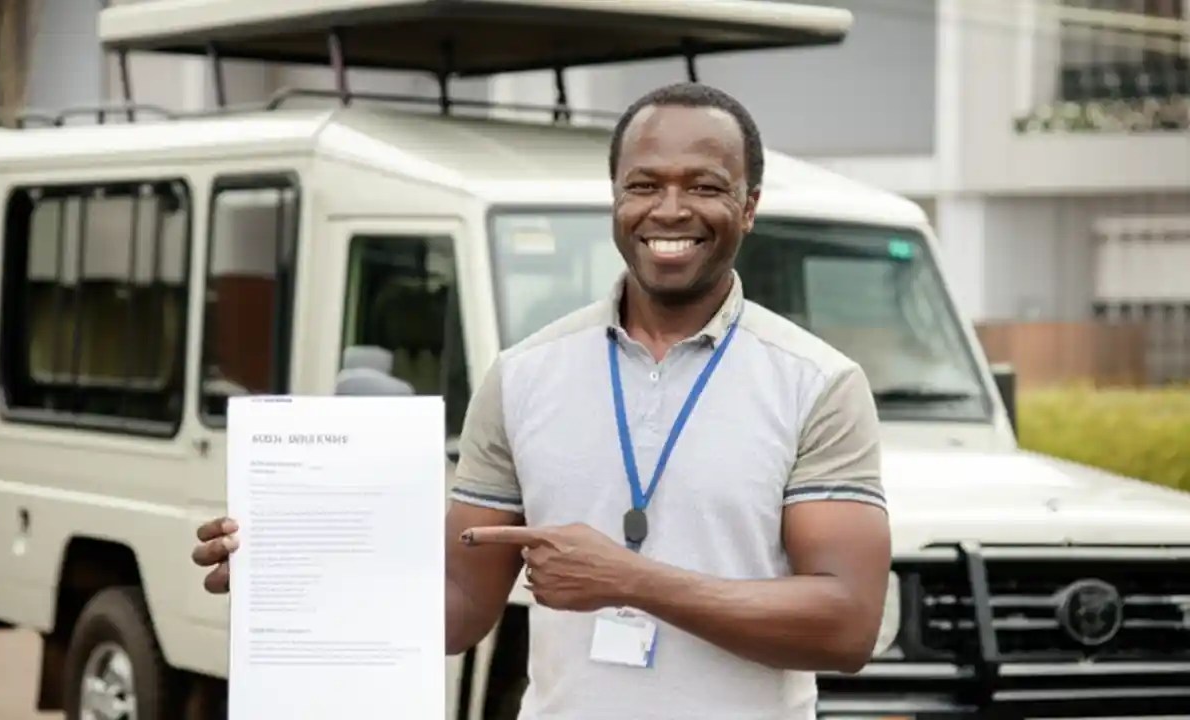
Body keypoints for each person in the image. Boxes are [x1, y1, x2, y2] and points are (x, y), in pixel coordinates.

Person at [192, 81, 891, 719]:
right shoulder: (523, 375)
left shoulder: (817, 384)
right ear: (615, 198)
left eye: (704, 186)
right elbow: (461, 605)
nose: (670, 209)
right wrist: (294, 576)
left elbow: (847, 625)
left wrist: (630, 580)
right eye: (643, 185)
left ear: (749, 207)